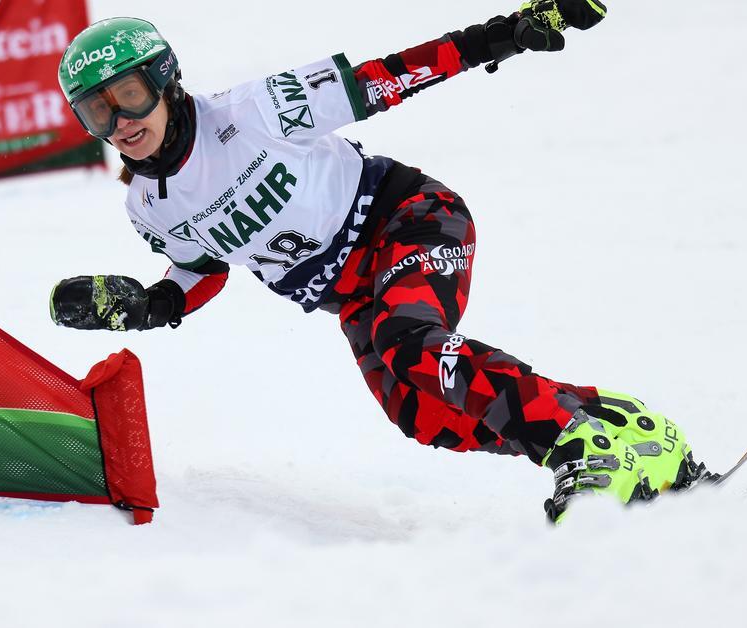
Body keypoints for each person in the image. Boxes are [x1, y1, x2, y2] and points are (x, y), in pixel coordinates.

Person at [48, 1, 707, 522]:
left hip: (407, 217)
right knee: (422, 414)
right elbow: (203, 268)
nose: (120, 123)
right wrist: (154, 303)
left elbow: (381, 80)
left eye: (128, 95)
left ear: (164, 80)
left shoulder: (254, 112)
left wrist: (504, 34)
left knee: (413, 349)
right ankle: (622, 429)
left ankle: (579, 447)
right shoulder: (146, 205)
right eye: (95, 111)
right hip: (352, 292)